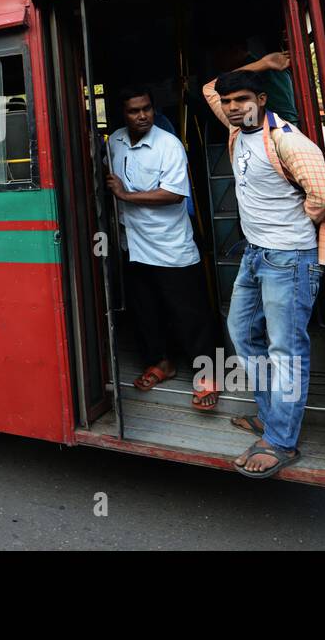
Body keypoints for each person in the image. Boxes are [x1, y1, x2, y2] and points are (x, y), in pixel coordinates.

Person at [202, 66, 325, 478]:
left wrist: (295, 223)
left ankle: (281, 440)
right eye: (228, 102)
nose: (231, 107)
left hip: (291, 258)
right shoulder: (236, 128)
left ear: (262, 100)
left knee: (286, 351)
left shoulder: (290, 143)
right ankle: (270, 415)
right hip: (254, 254)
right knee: (242, 333)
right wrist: (262, 64)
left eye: (242, 99)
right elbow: (210, 84)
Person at [105, 85, 219, 410]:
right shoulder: (114, 141)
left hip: (171, 246)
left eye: (146, 108)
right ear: (122, 115)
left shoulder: (168, 145)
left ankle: (207, 376)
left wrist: (126, 196)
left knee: (190, 316)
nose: (142, 115)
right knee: (146, 311)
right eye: (133, 110)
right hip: (134, 245)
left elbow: (173, 193)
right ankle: (161, 363)